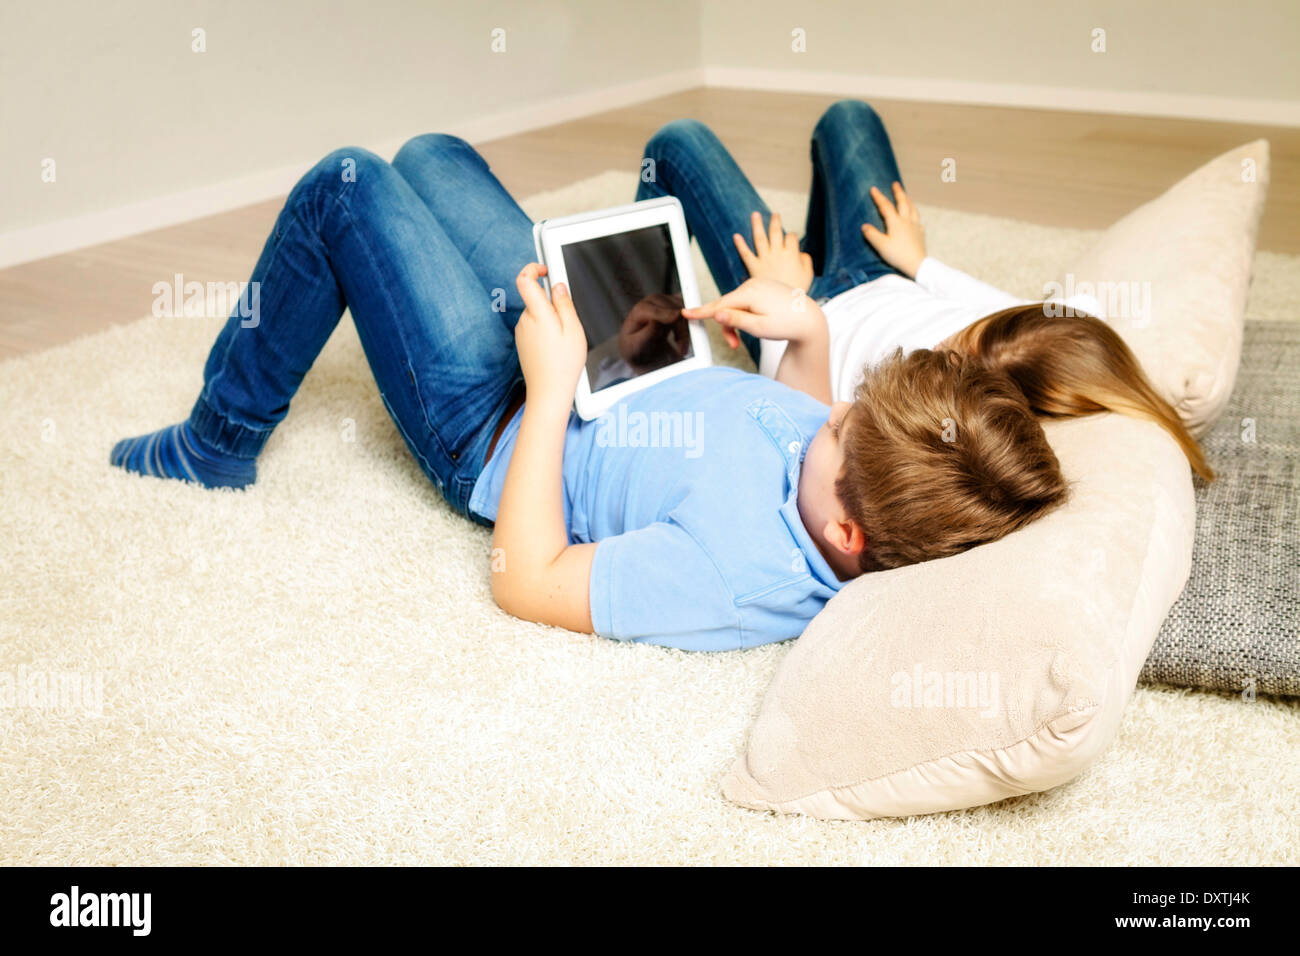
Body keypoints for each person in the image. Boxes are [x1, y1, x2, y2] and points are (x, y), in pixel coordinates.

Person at [110, 133, 1068, 650]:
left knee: (348, 184)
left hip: (500, 420)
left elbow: (529, 580)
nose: (825, 418)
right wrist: (809, 333)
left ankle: (216, 440)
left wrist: (552, 382)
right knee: (436, 155)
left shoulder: (735, 585)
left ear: (847, 537)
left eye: (839, 432)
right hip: (604, 364)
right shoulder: (854, 490)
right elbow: (817, 426)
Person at [637, 99, 1214, 481]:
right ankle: (831, 246)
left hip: (806, 300)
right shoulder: (1062, 335)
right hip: (881, 267)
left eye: (953, 344)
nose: (951, 328)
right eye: (977, 322)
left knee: (677, 142)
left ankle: (634, 354)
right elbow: (1003, 312)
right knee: (848, 117)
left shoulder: (918, 416)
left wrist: (789, 298)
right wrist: (921, 261)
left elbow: (798, 428)